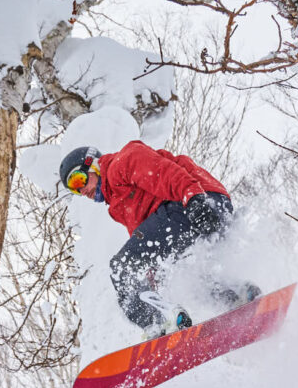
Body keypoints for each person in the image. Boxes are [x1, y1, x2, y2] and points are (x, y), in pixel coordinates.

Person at [59, 141, 259, 336]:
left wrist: (193, 197)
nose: (81, 190)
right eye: (74, 189)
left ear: (92, 164)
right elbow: (149, 239)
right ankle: (239, 298)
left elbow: (164, 172)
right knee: (186, 278)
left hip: (192, 205)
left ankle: (160, 324)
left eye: (78, 180)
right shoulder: (119, 202)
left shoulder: (120, 164)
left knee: (122, 268)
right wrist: (152, 275)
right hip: (207, 209)